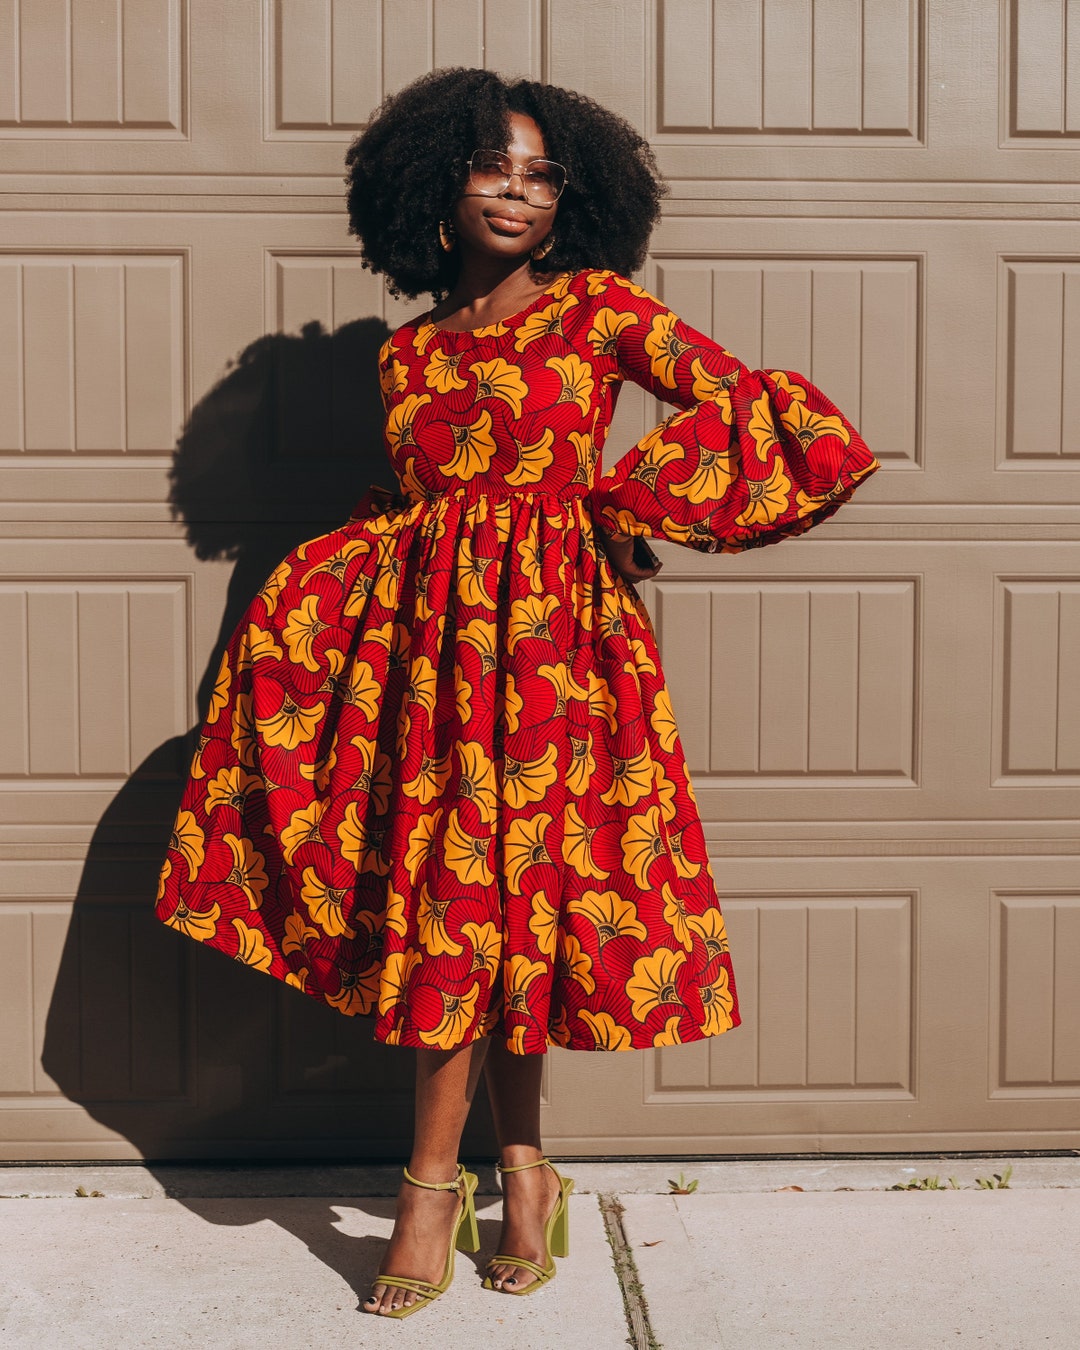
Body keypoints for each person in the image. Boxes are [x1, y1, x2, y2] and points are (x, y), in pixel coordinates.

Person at [155, 67, 879, 1318]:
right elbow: (416, 513)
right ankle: (524, 1175)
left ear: (573, 200)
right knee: (470, 910)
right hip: (431, 665)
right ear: (438, 187)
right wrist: (326, 599)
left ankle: (433, 1188)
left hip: (554, 661)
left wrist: (627, 505)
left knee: (508, 911)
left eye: (543, 173)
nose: (517, 188)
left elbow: (768, 412)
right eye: (495, 164)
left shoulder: (599, 312)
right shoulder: (408, 354)